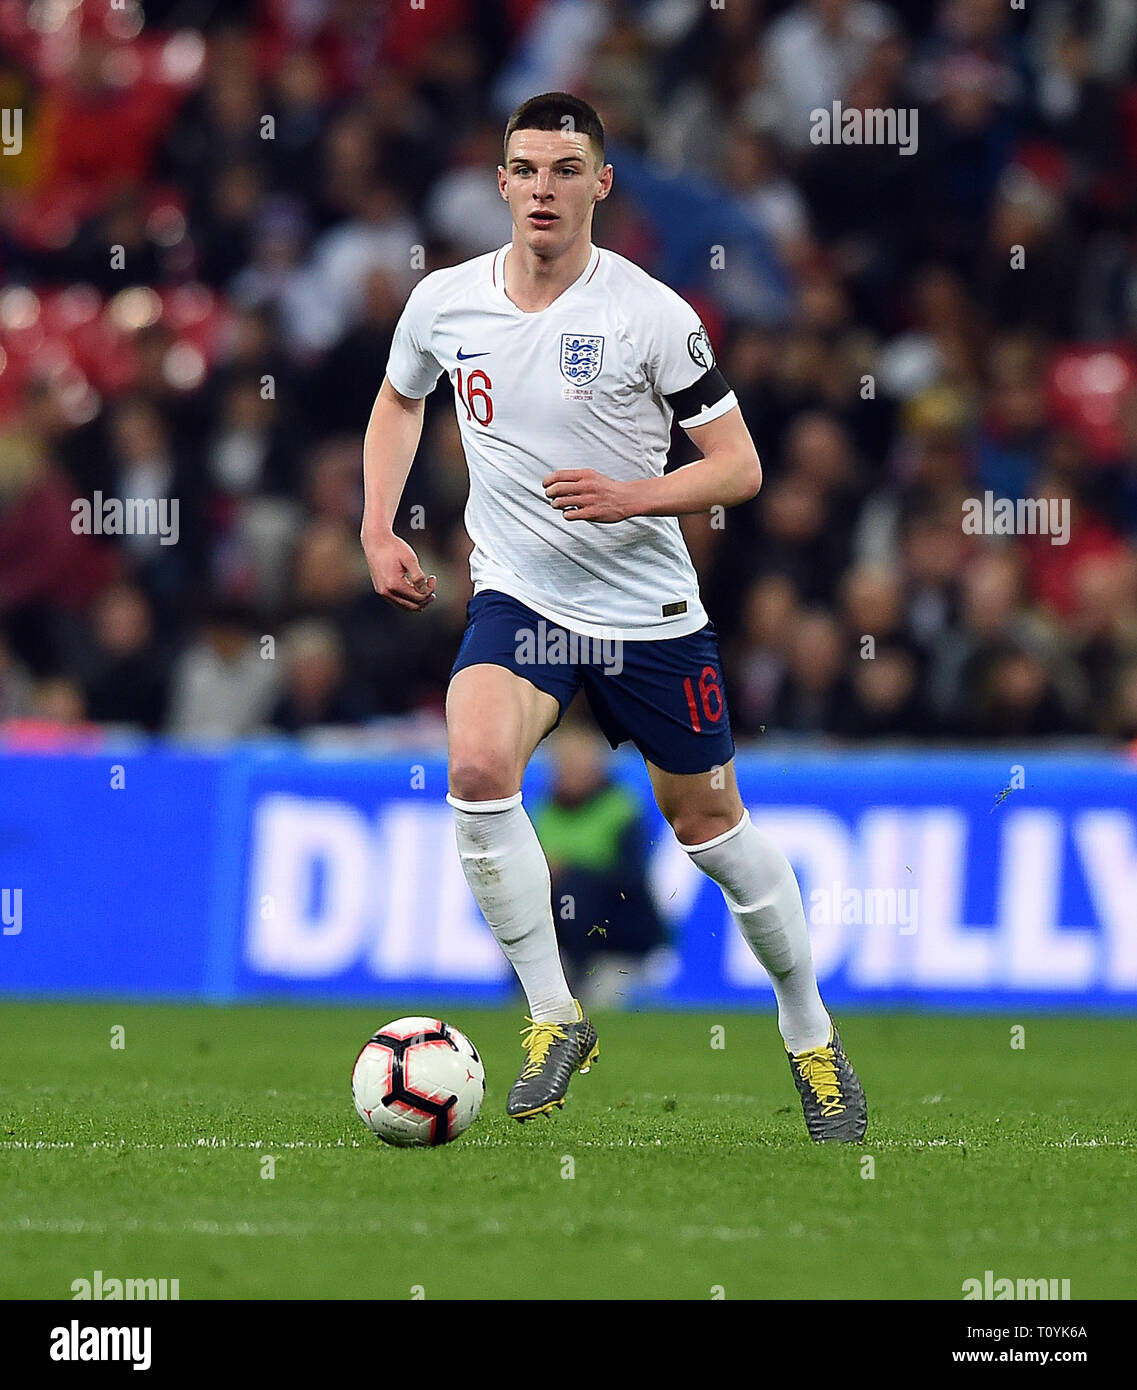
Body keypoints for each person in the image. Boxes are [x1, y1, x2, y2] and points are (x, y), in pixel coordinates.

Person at [361, 92, 866, 1141]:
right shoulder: (444, 302)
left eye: (565, 169)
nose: (543, 189)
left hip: (648, 612)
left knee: (709, 828)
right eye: (525, 169)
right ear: (501, 183)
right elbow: (401, 398)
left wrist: (632, 495)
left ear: (601, 183)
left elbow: (741, 467)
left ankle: (810, 1034)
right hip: (521, 594)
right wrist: (376, 525)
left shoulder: (653, 314)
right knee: (477, 769)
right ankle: (555, 1015)